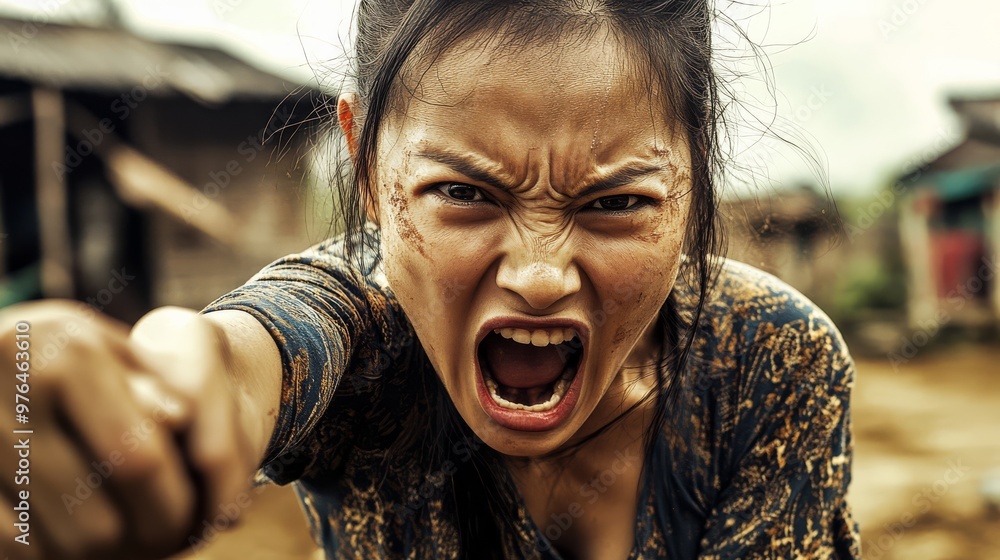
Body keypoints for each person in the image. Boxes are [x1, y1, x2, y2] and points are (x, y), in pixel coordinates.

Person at [0, 1, 862, 558]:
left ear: (695, 184)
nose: (537, 276)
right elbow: (261, 346)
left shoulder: (769, 358)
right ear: (368, 169)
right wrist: (162, 392)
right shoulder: (364, 331)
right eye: (463, 193)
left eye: (615, 203)